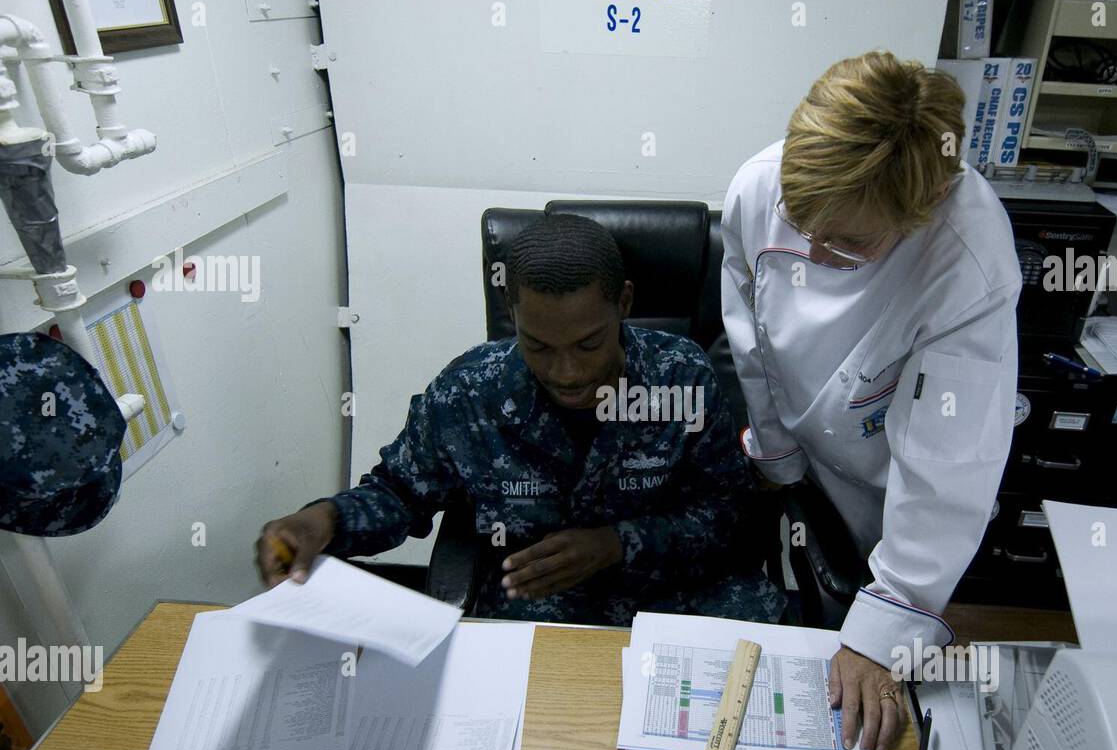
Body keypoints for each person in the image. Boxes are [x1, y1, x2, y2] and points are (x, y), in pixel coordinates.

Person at [257, 213, 785, 625]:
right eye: (539, 346)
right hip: (542, 610)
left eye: (589, 343)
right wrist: (322, 520)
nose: (568, 372)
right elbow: (399, 494)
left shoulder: (681, 377)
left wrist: (617, 543)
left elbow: (731, 516)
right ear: (511, 313)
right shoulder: (468, 393)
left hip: (678, 600)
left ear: (623, 303)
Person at [721, 51, 1021, 750]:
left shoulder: (966, 257)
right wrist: (776, 454)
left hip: (894, 478)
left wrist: (887, 626)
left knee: (867, 655)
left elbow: (950, 467)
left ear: (921, 209)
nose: (815, 248)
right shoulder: (757, 188)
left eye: (850, 242)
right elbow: (750, 342)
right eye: (803, 223)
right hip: (799, 436)